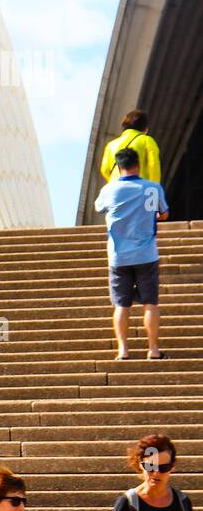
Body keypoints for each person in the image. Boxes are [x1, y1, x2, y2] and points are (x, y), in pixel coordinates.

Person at [95, 147, 169, 360]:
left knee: (121, 305)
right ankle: (153, 350)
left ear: (119, 167)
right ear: (138, 165)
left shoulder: (109, 190)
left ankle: (123, 351)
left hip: (118, 256)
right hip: (147, 254)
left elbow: (99, 208)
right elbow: (163, 214)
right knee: (151, 303)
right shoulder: (153, 188)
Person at [100, 110, 161, 184]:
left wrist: (115, 181)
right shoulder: (147, 141)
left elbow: (105, 170)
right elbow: (153, 165)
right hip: (138, 188)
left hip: (115, 188)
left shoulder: (111, 145)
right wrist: (154, 187)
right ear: (145, 129)